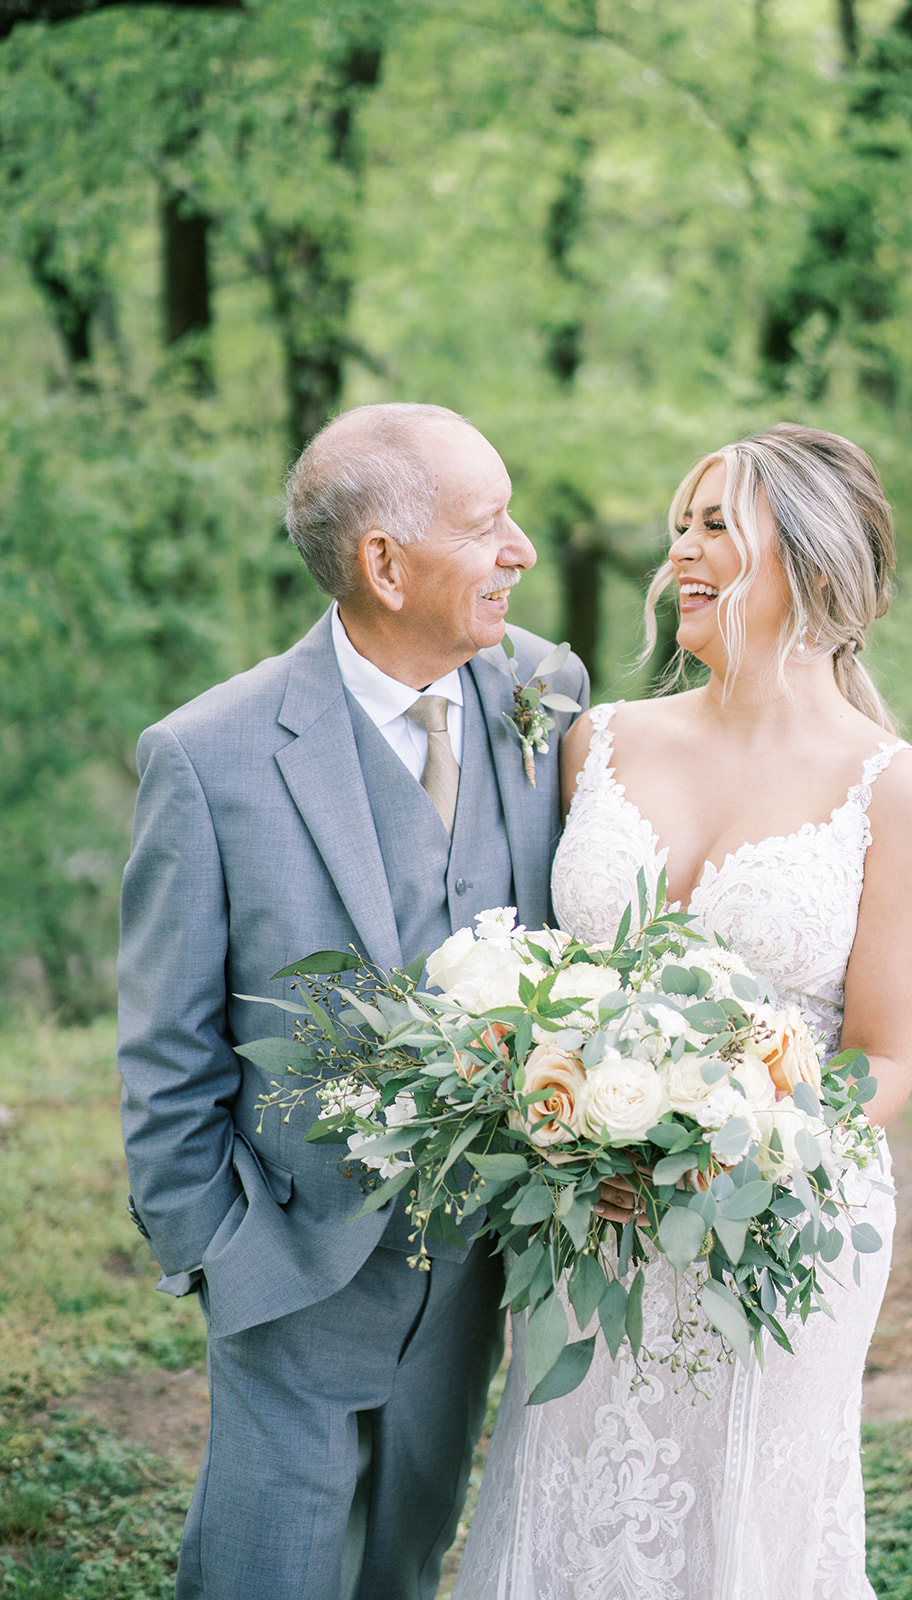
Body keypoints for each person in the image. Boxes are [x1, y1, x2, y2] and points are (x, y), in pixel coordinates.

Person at [450, 423, 912, 1600]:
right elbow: (538, 974)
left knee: (742, 1527)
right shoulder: (598, 743)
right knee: (570, 1498)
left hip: (779, 1223)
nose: (681, 552)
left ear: (818, 564)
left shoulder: (902, 794)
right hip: (588, 1214)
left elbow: (886, 1059)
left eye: (717, 526)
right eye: (679, 526)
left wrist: (734, 1150)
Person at [117, 402, 588, 1600]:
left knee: (407, 1557)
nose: (521, 551)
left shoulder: (545, 689)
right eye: (489, 526)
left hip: (477, 1259)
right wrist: (222, 1254)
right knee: (265, 1573)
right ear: (385, 562)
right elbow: (167, 1051)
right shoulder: (208, 756)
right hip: (291, 1262)